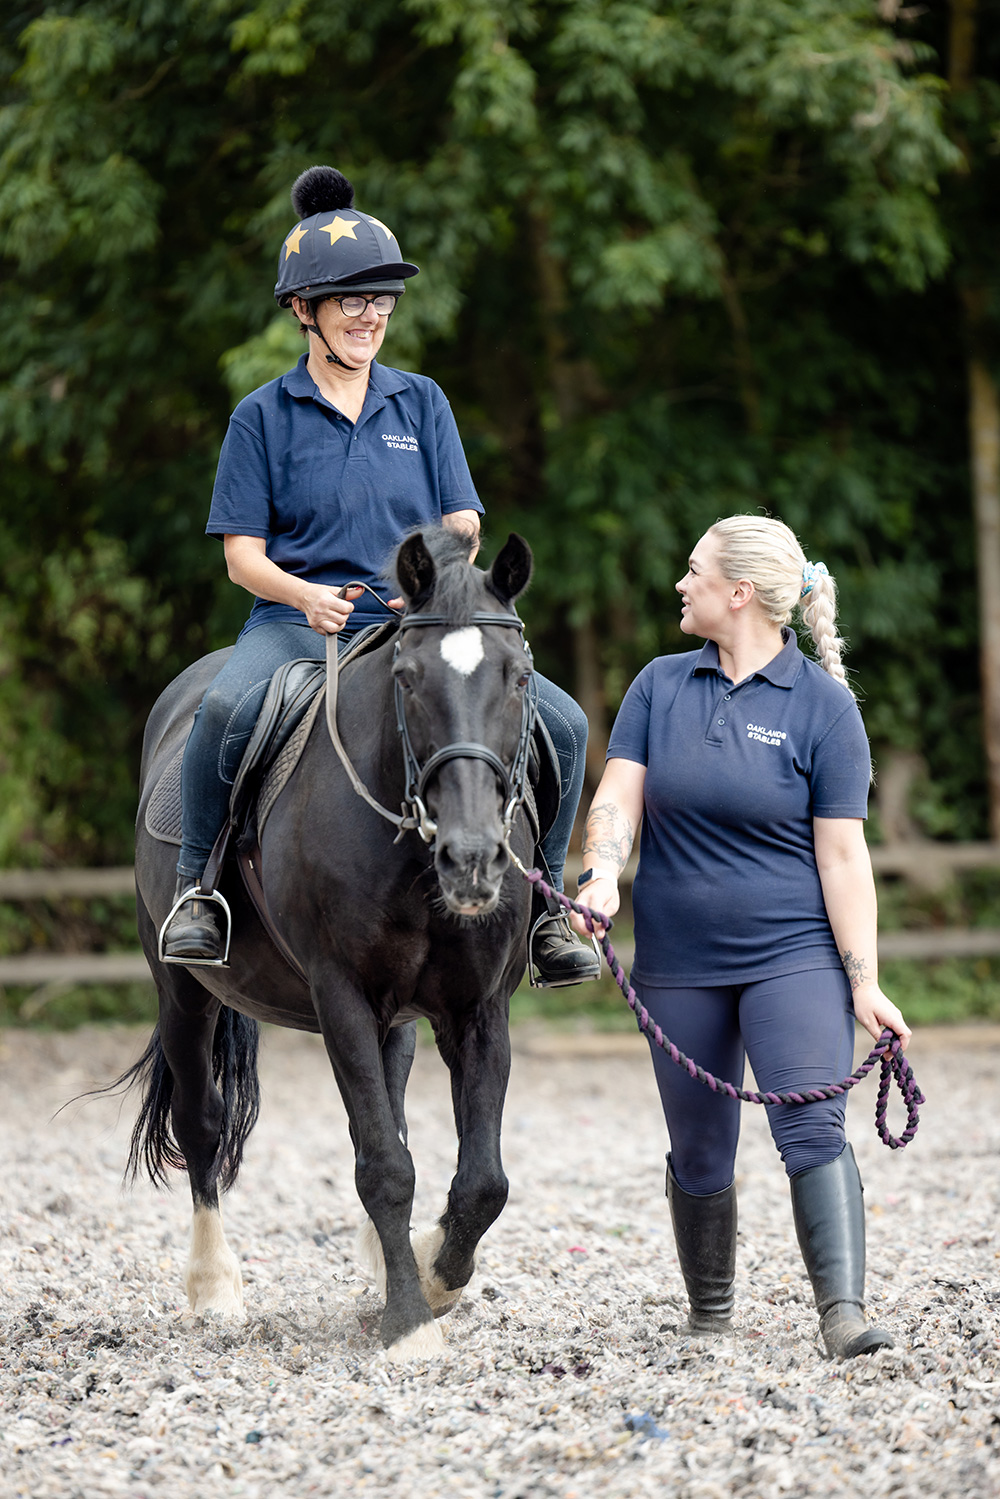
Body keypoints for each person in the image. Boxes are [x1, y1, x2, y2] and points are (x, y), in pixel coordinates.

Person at [161, 164, 599, 985]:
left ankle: (547, 908)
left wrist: (430, 578)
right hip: (299, 622)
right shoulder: (261, 416)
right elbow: (241, 556)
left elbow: (464, 520)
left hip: (417, 621)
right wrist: (305, 595)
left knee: (566, 724)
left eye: (382, 300)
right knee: (222, 708)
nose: (371, 316)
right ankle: (198, 890)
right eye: (351, 300)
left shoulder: (422, 401)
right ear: (304, 309)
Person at [570, 515, 911, 1359]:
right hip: (678, 962)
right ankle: (710, 1313)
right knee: (698, 1149)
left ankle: (843, 1315)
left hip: (793, 957)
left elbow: (842, 857)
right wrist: (602, 872)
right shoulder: (658, 685)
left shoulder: (825, 708)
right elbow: (617, 796)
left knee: (812, 1129)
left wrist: (863, 982)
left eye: (695, 571)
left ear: (740, 592)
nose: (680, 584)